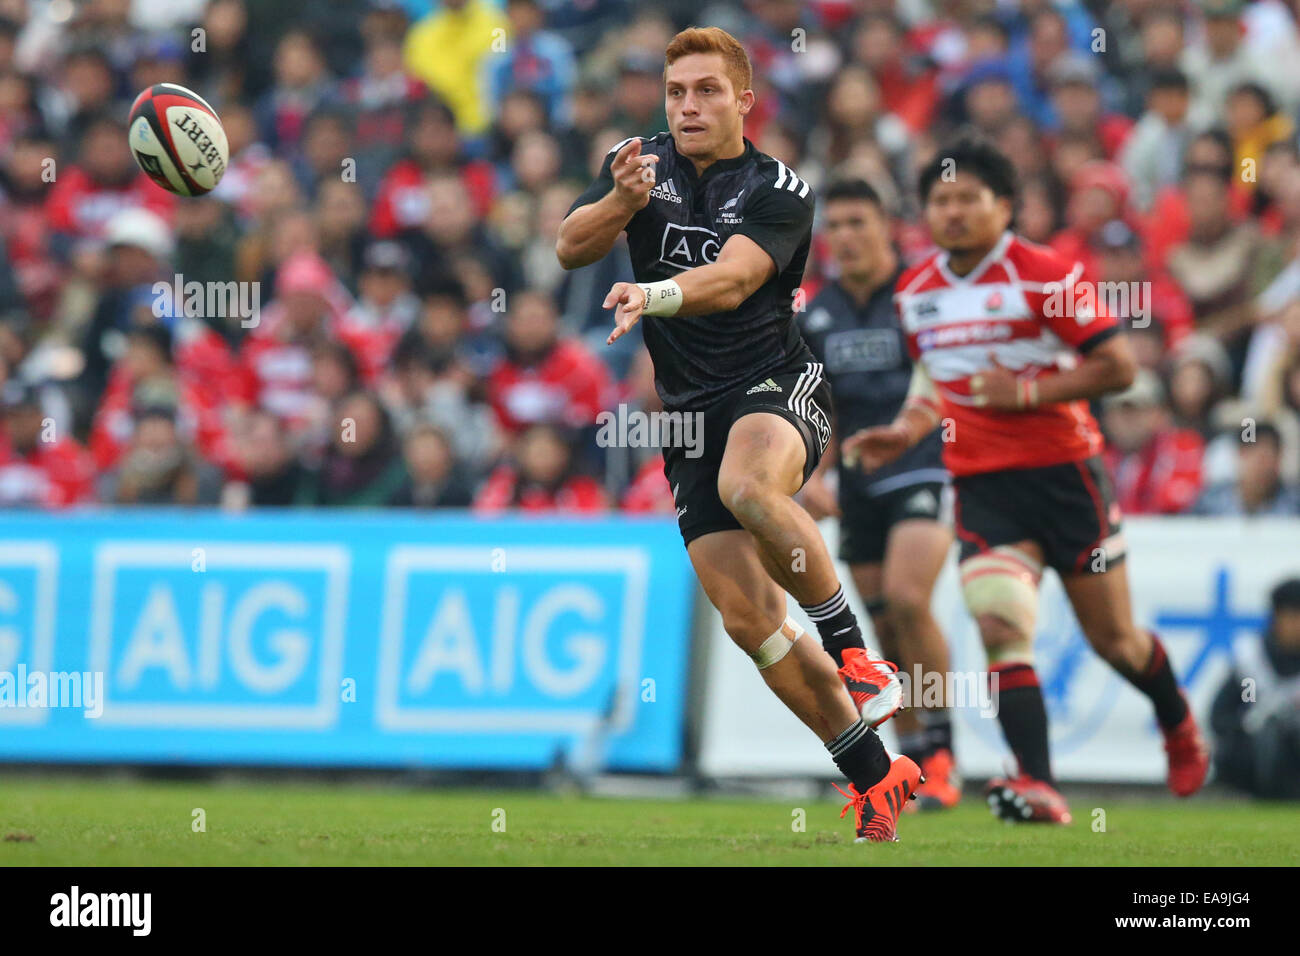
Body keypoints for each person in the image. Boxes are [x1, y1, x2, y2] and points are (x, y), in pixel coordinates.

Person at [557, 26, 915, 843]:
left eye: (708, 90)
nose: (688, 105)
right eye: (677, 91)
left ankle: (857, 653)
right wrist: (619, 202)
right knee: (750, 621)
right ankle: (873, 775)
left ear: (744, 101)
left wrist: (652, 296)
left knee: (748, 488)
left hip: (775, 386)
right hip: (687, 416)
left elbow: (736, 279)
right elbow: (569, 246)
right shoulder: (639, 164)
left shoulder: (778, 187)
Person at [844, 136, 1210, 824]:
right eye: (939, 201)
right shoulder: (917, 291)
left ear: (1004, 207)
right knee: (998, 620)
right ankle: (1040, 785)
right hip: (984, 485)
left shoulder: (1046, 273)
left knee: (1115, 641)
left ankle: (1175, 718)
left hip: (1068, 477)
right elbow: (936, 376)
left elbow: (1119, 367)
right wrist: (906, 426)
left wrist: (1026, 392)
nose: (951, 213)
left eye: (966, 199)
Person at [799, 178, 960, 810]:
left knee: (907, 596)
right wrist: (816, 474)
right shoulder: (816, 312)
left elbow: (949, 376)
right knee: (886, 624)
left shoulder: (919, 296)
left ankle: (944, 752)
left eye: (857, 222)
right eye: (834, 226)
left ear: (888, 226)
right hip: (859, 486)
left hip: (926, 466)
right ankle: (919, 758)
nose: (845, 237)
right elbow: (821, 405)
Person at [1210, 577, 1300, 799]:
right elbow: (1221, 716)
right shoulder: (1252, 663)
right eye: (1293, 617)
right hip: (1255, 759)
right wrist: (1250, 725)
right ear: (1276, 618)